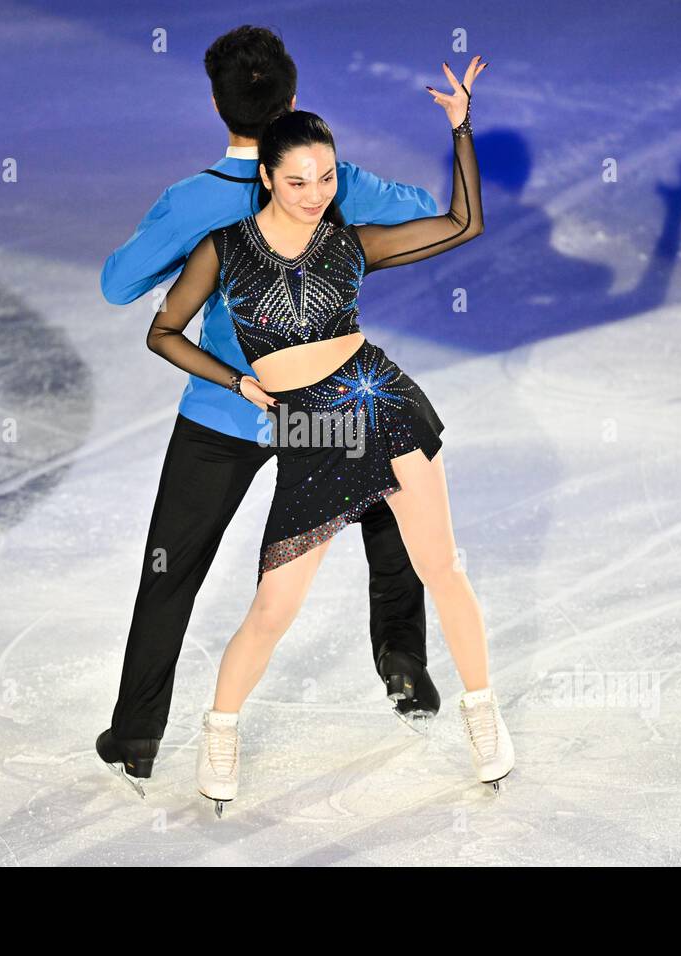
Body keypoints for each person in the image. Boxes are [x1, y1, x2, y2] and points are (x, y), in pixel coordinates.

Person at [144, 54, 513, 815]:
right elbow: (164, 331)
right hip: (314, 431)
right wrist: (237, 379)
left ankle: (484, 715)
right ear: (271, 179)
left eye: (327, 179)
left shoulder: (351, 244)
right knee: (275, 608)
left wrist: (461, 127)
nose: (316, 196)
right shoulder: (226, 248)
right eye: (300, 181)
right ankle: (222, 729)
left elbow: (463, 222)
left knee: (441, 569)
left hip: (383, 408)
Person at [97, 26, 443, 794]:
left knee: (170, 569)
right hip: (320, 405)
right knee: (389, 515)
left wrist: (192, 235)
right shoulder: (328, 180)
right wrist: (335, 190)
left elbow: (119, 288)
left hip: (222, 417)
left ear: (217, 104)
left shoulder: (195, 201)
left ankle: (137, 736)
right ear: (292, 101)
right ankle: (403, 662)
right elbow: (427, 210)